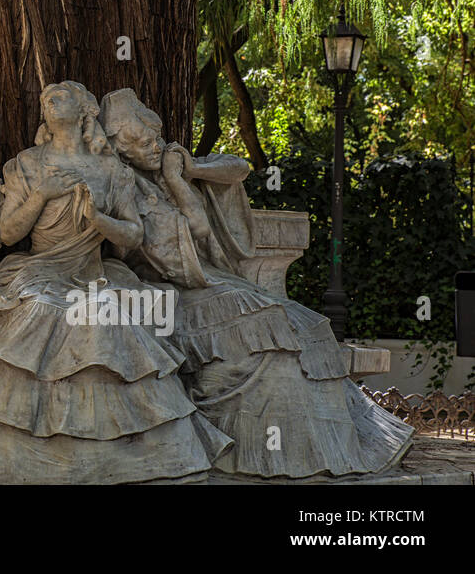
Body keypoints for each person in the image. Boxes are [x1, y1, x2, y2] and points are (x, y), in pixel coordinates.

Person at [98, 88, 414, 478]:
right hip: (175, 290)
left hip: (212, 283)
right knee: (263, 324)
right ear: (121, 150)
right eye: (143, 143)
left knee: (308, 323)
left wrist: (190, 170)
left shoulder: (170, 164)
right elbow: (186, 241)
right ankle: (264, 453)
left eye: (156, 139)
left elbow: (238, 167)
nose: (154, 147)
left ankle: (331, 448)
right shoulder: (129, 187)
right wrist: (176, 182)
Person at [0, 81, 230, 484]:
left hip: (94, 270)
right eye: (45, 98)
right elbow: (9, 234)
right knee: (43, 312)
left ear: (86, 111)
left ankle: (122, 456)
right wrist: (41, 195)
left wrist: (99, 220)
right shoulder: (27, 164)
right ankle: (23, 456)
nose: (48, 100)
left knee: (107, 315)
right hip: (41, 268)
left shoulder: (112, 170)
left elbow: (132, 236)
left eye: (60, 95)